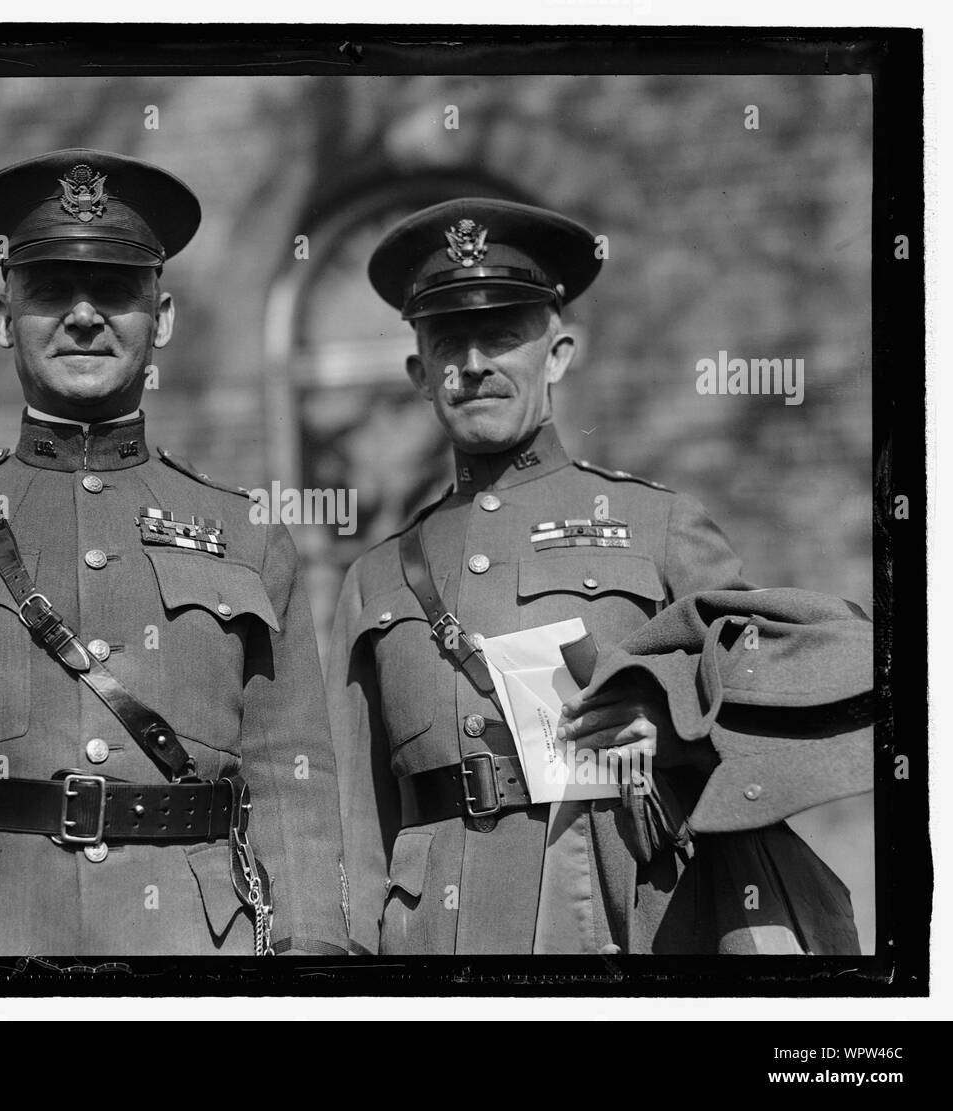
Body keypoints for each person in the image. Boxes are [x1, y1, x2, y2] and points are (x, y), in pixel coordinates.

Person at [0, 149, 351, 958]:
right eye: (51, 290)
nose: (84, 316)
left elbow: (292, 784)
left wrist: (313, 965)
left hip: (190, 947)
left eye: (116, 291)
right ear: (1, 316)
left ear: (160, 318)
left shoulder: (250, 535)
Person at [328, 198, 870, 955]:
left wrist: (674, 716)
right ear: (422, 373)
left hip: (630, 921)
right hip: (433, 944)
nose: (475, 365)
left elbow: (839, 658)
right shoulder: (376, 578)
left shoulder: (656, 524)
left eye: (502, 336)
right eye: (451, 343)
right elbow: (354, 819)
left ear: (557, 356)